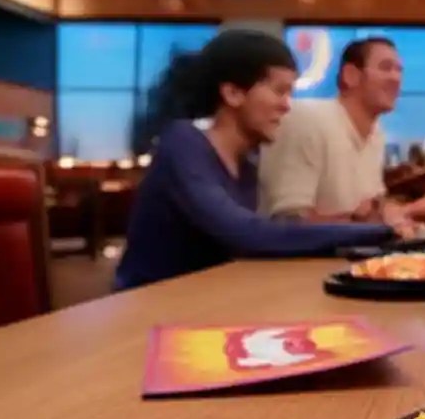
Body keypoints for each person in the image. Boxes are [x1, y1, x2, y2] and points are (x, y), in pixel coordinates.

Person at [114, 30, 397, 291]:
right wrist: (381, 232)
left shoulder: (246, 163)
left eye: (290, 94)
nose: (287, 106)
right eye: (279, 91)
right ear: (233, 93)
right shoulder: (183, 144)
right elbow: (249, 234)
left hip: (206, 301)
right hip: (150, 306)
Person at [259, 36, 425, 224]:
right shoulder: (307, 120)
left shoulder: (376, 134)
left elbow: (370, 210)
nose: (396, 79)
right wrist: (364, 222)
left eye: (399, 71)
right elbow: (287, 223)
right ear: (350, 75)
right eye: (385, 68)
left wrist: (405, 213)